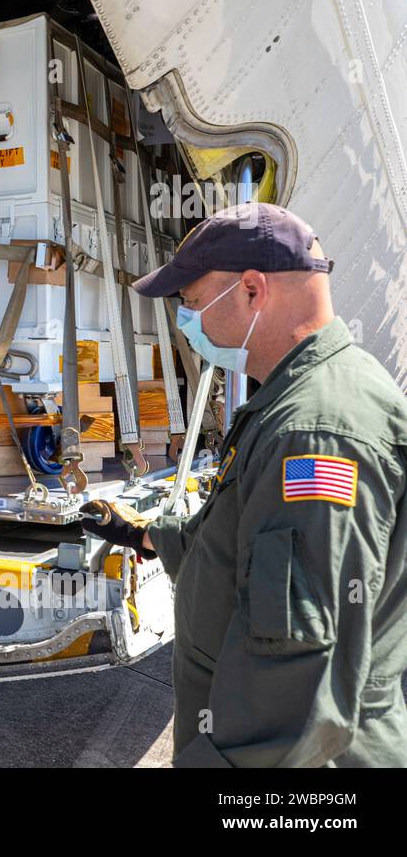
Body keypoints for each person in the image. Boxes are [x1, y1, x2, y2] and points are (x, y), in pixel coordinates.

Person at [82, 203, 407, 767]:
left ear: (252, 291)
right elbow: (243, 548)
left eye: (190, 303)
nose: (189, 322)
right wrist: (141, 534)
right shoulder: (291, 399)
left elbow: (299, 665)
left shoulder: (314, 432)